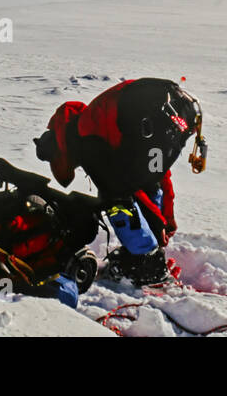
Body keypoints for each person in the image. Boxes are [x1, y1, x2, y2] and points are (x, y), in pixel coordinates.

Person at [33, 78, 202, 284]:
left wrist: (160, 222)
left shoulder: (87, 141)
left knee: (115, 202)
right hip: (174, 116)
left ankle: (146, 264)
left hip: (162, 120)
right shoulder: (95, 122)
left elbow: (123, 188)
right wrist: (165, 217)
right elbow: (156, 174)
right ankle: (145, 251)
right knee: (141, 181)